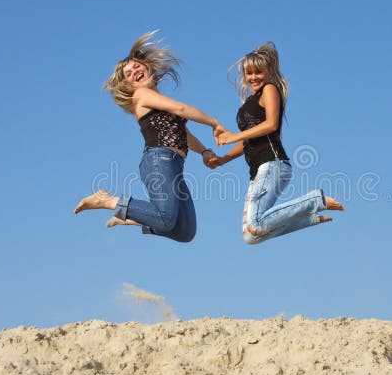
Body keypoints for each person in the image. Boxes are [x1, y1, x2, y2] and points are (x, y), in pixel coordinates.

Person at [74, 31, 222, 243]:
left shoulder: (158, 100)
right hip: (158, 160)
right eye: (128, 73)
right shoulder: (141, 95)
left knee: (185, 231)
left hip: (175, 165)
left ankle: (128, 216)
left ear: (147, 67)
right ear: (128, 84)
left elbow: (184, 134)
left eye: (137, 66)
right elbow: (181, 108)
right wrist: (214, 123)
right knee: (165, 218)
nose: (134, 71)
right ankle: (106, 200)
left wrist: (205, 152)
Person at [212, 42, 343, 244]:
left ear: (269, 71)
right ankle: (309, 218)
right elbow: (249, 138)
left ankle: (315, 200)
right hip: (257, 171)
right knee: (251, 235)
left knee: (254, 225)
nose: (254, 77)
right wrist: (222, 160)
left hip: (272, 164)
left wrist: (233, 136)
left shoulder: (270, 89)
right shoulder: (249, 102)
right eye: (249, 73)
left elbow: (271, 124)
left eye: (258, 72)